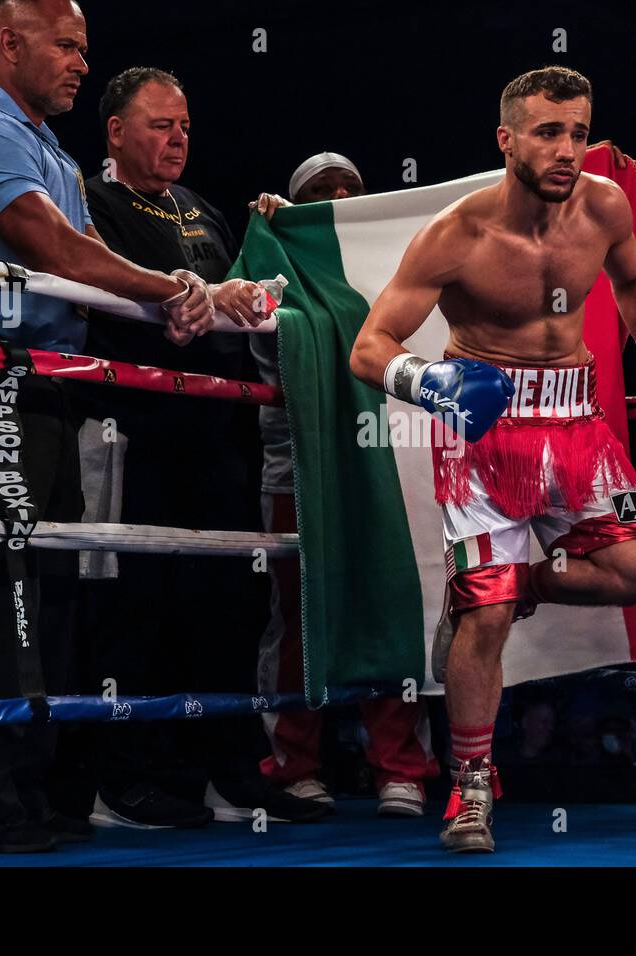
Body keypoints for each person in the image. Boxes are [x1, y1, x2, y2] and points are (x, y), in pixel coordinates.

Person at [349, 66, 636, 852]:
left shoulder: (604, 206)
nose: (567, 150)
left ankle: (508, 582)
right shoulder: (457, 233)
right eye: (549, 132)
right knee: (483, 615)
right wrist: (431, 380)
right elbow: (368, 348)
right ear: (506, 139)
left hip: (577, 421)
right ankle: (474, 785)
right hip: (484, 434)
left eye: (579, 132)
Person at [0, 0, 211, 853]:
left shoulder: (45, 146)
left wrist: (193, 298)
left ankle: (28, 787)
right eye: (68, 45)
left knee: (43, 593)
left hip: (44, 385)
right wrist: (175, 290)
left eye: (86, 47)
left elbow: (93, 263)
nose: (83, 62)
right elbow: (61, 253)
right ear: (8, 42)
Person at [77, 67, 325, 827]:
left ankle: (227, 773)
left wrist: (253, 280)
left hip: (218, 432)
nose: (178, 137)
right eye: (160, 124)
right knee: (135, 604)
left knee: (225, 600)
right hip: (135, 427)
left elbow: (238, 287)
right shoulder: (88, 205)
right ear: (116, 131)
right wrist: (184, 294)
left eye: (184, 124)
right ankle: (119, 781)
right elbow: (112, 292)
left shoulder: (199, 207)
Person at [248, 153, 441, 818]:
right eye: (320, 195)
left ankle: (401, 767)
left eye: (349, 192)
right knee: (301, 610)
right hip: (300, 459)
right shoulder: (278, 249)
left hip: (390, 454)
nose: (337, 197)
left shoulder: (398, 265)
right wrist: (272, 236)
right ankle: (293, 764)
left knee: (394, 600)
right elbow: (253, 328)